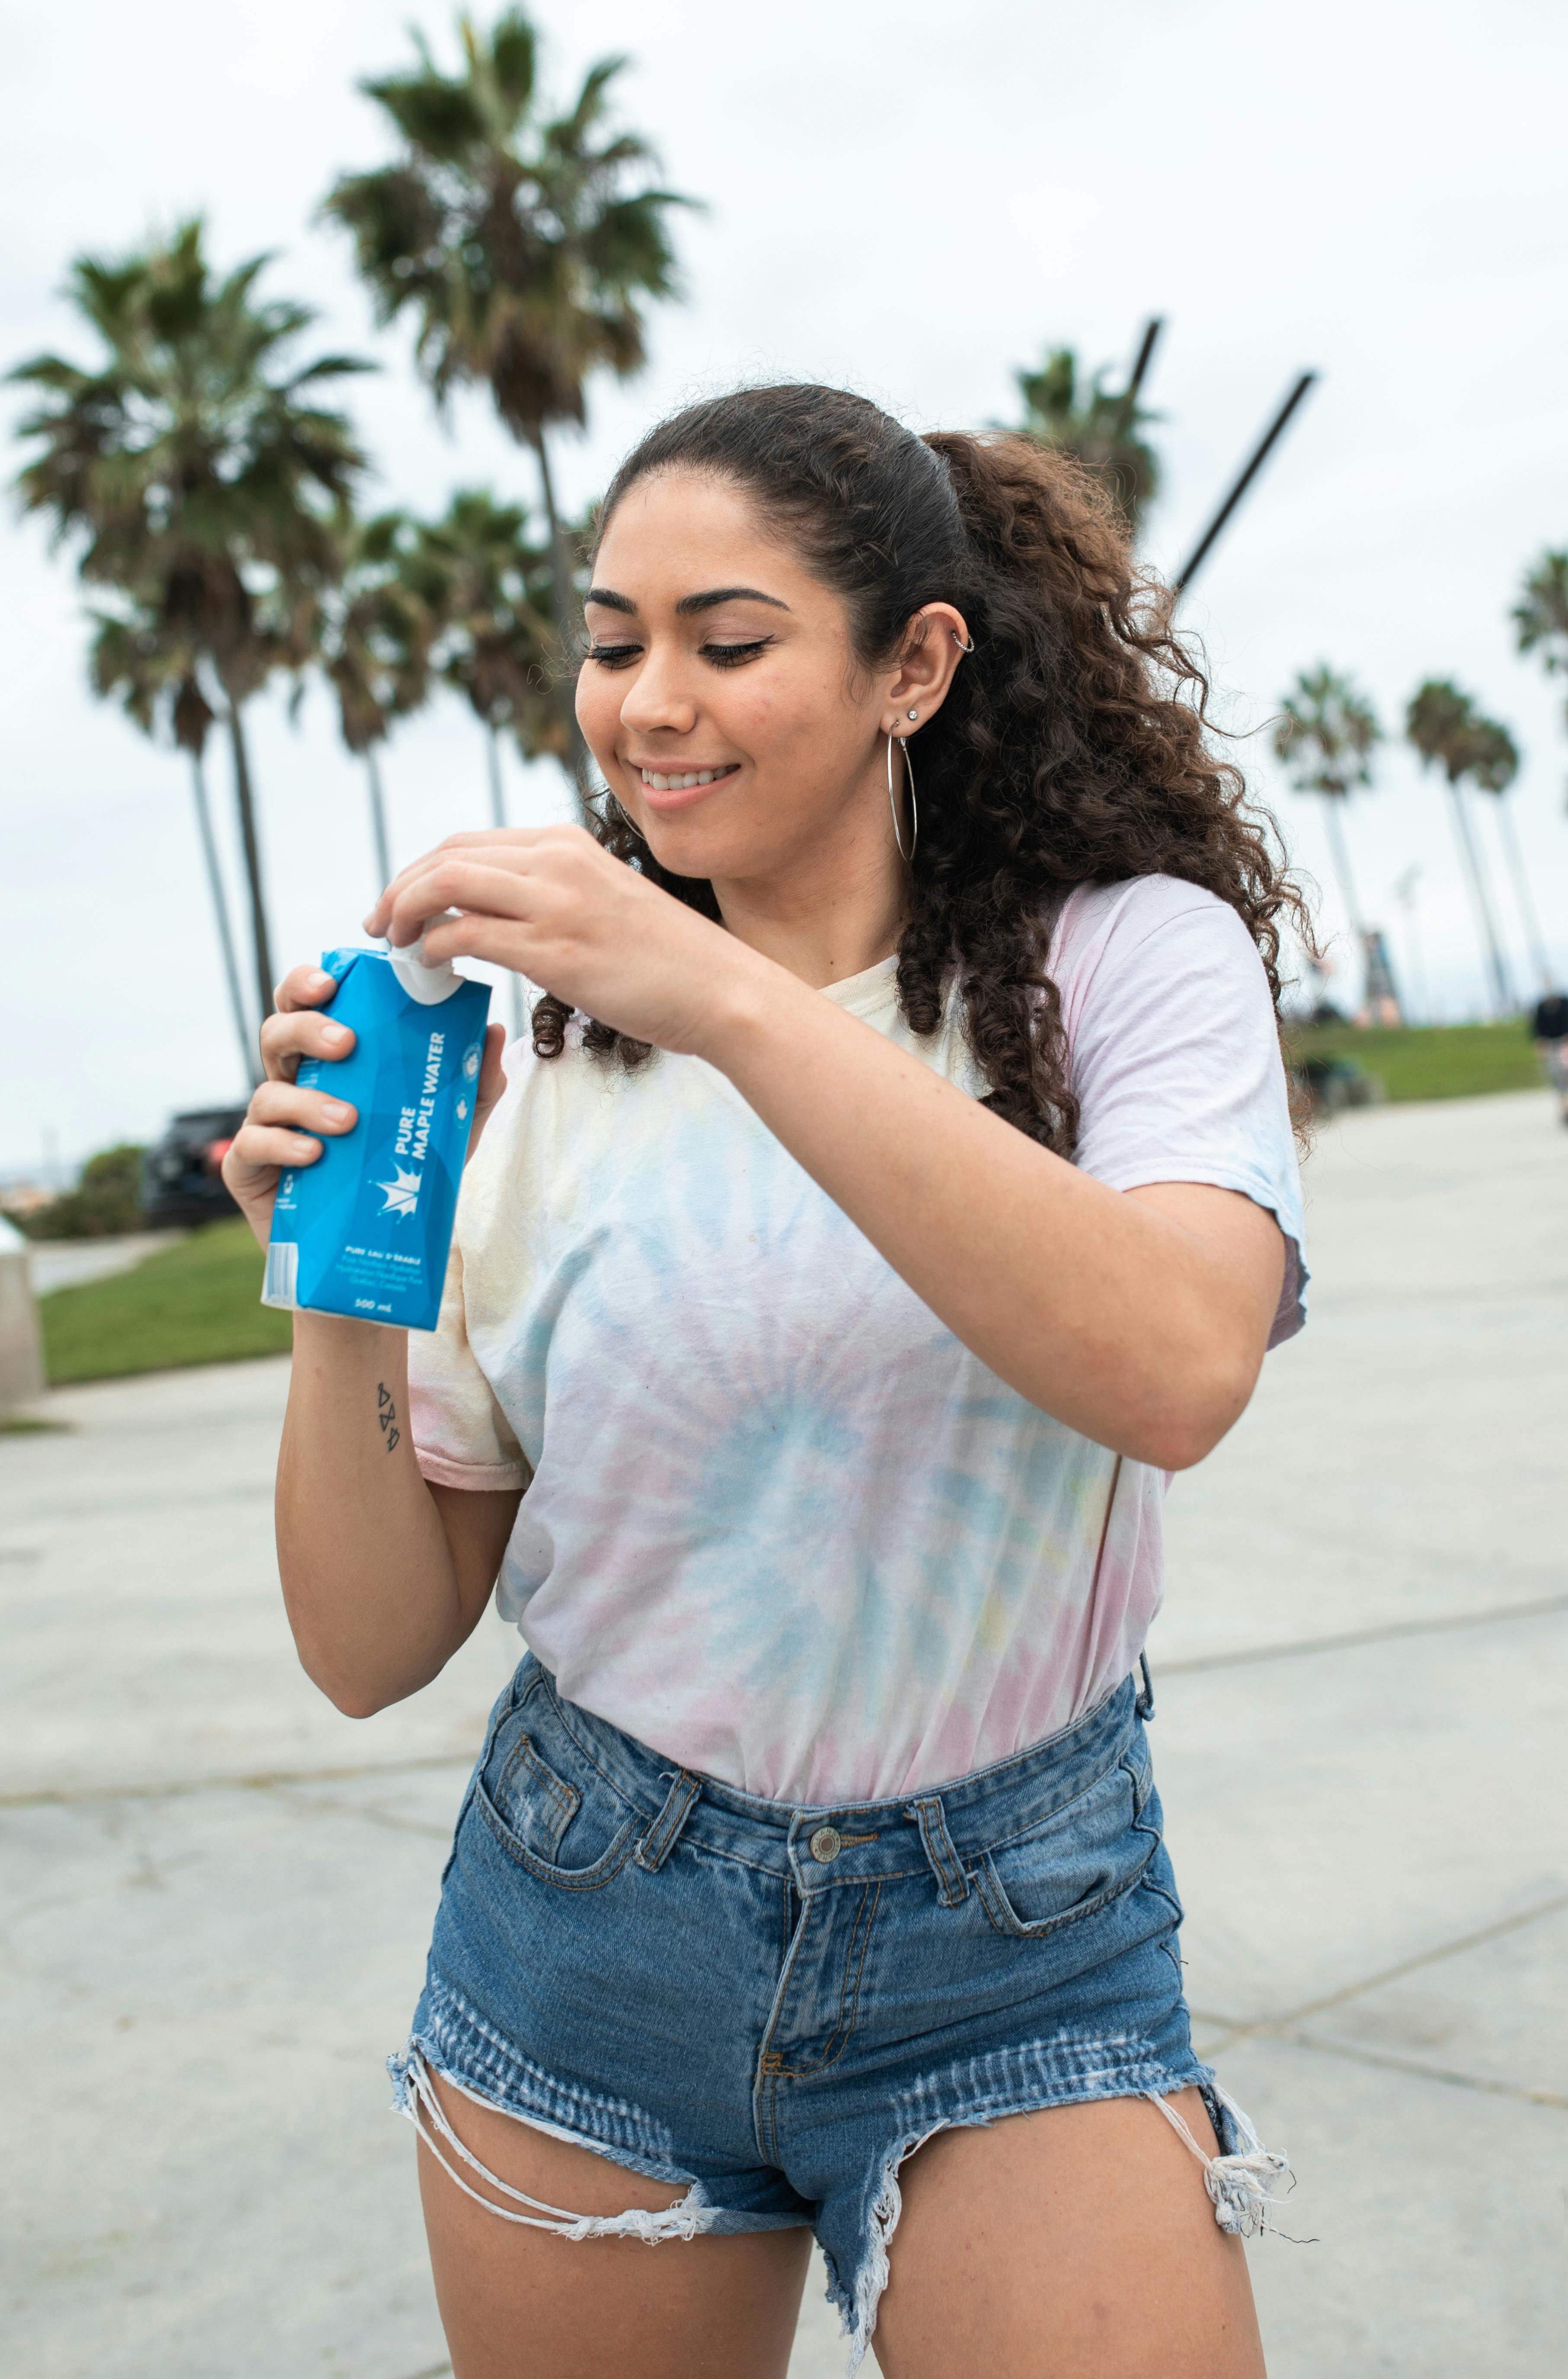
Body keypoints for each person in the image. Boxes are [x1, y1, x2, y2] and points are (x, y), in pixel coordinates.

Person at [225, 385, 1309, 2379]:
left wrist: (713, 989)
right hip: (591, 1917)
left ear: (915, 663)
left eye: (728, 643)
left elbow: (1174, 1363)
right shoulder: (534, 1054)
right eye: (611, 640)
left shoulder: (1125, 962)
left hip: (1019, 1931)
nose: (647, 703)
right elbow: (370, 1644)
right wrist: (339, 1282)